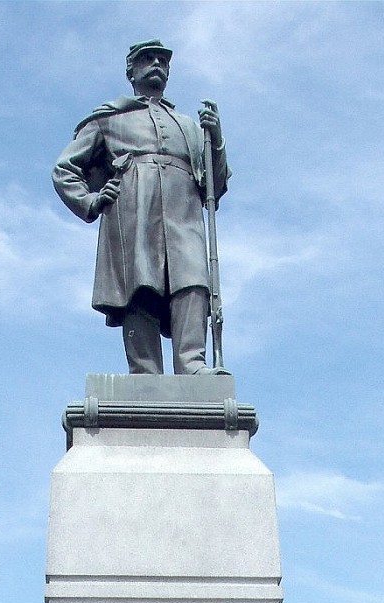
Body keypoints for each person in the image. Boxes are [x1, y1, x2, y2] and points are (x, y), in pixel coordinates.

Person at [53, 39, 229, 375]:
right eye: (148, 59)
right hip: (135, 212)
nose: (157, 65)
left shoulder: (189, 126)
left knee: (193, 281)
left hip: (184, 213)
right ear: (131, 70)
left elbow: (213, 186)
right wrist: (90, 201)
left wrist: (216, 139)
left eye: (163, 60)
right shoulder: (110, 118)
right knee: (139, 284)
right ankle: (144, 371)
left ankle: (192, 363)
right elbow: (65, 169)